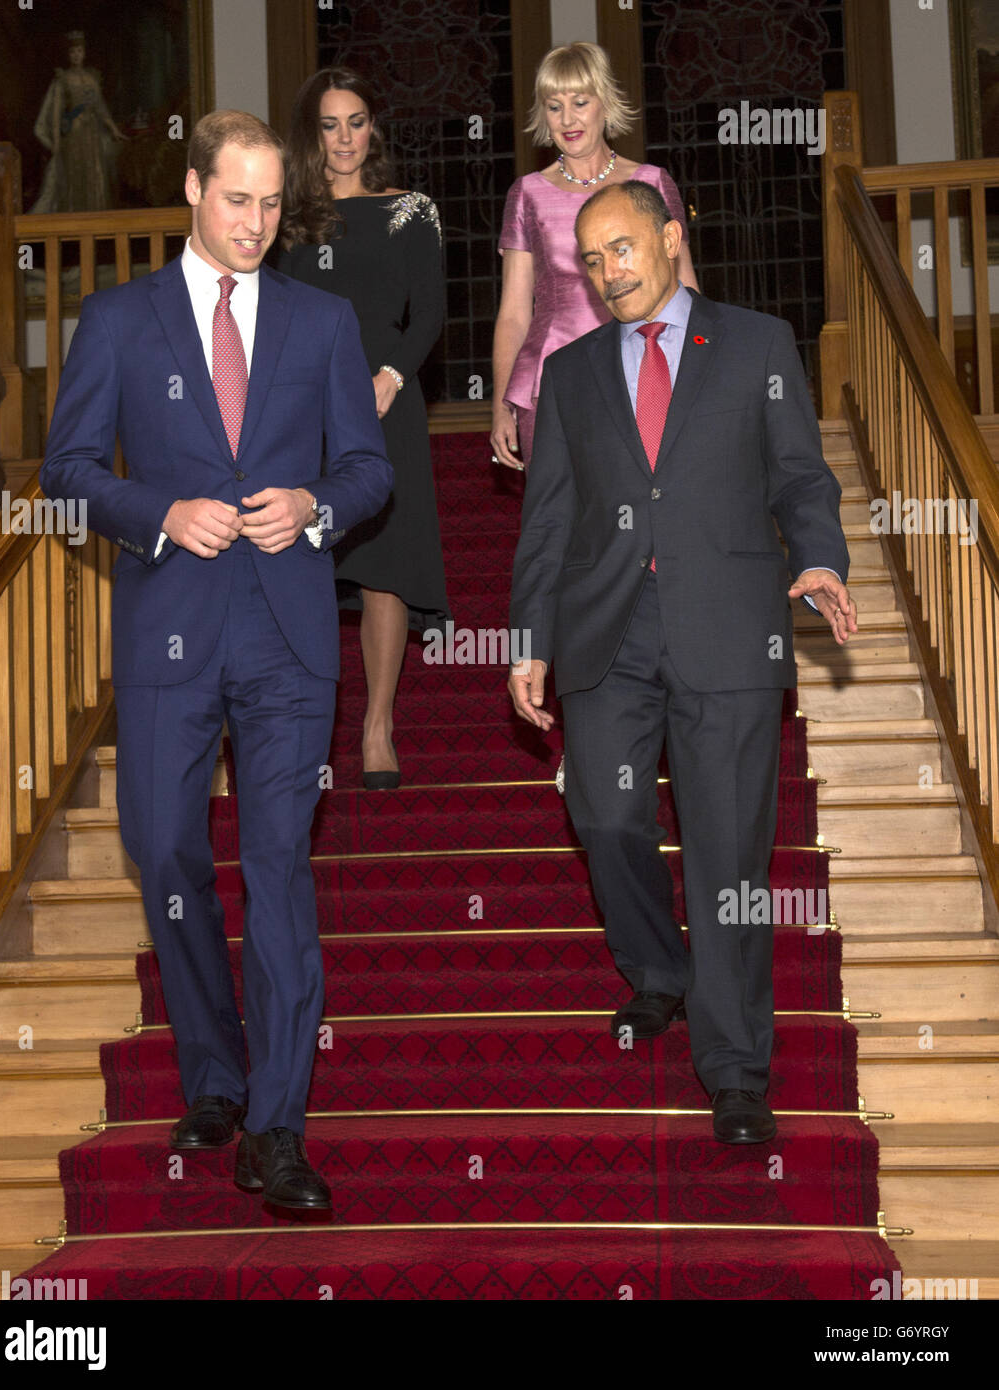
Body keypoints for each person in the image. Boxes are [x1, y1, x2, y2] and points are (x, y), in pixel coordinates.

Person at [40, 111, 392, 1207]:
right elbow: (67, 468)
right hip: (169, 630)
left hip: (288, 636)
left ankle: (277, 1128)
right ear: (194, 189)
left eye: (273, 204)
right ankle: (214, 1066)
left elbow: (370, 470)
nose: (254, 223)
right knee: (165, 848)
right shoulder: (117, 320)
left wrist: (315, 505)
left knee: (280, 869)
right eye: (236, 198)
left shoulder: (323, 322)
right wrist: (160, 512)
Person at [507, 181, 856, 1145]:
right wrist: (527, 638)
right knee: (607, 815)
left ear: (668, 240)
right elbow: (547, 519)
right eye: (592, 260)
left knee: (728, 851)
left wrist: (820, 554)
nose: (609, 273)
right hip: (609, 632)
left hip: (731, 627)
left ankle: (737, 1067)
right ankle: (659, 971)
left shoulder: (756, 343)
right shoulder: (571, 374)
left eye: (623, 250)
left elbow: (799, 473)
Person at [278, 68, 450, 790]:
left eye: (357, 121)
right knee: (302, 567)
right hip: (300, 406)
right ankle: (303, 722)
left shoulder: (411, 210)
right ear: (312, 133)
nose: (345, 137)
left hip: (386, 401)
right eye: (330, 124)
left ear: (373, 127)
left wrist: (391, 376)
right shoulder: (287, 215)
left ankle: (378, 726)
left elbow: (431, 313)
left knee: (384, 565)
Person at [491, 40, 698, 470]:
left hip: (647, 372)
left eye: (580, 102)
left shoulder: (653, 183)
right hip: (548, 385)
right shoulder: (527, 193)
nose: (567, 119)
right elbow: (513, 312)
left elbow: (687, 291)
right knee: (562, 522)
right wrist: (498, 404)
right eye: (554, 106)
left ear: (605, 102)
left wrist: (700, 377)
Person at [30, 30, 126, 214]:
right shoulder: (62, 79)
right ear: (68, 55)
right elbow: (57, 113)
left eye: (79, 51)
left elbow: (100, 108)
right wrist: (56, 143)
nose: (76, 55)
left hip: (92, 135)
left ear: (84, 53)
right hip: (73, 134)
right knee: (75, 176)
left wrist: (113, 129)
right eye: (73, 52)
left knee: (94, 175)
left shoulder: (91, 78)